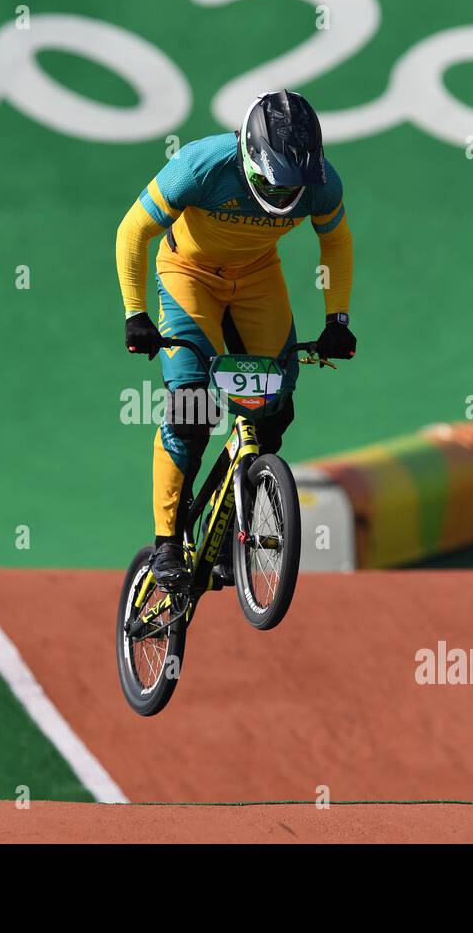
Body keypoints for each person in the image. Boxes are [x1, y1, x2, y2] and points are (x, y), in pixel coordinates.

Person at [115, 90, 356, 588]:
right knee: (191, 410)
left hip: (256, 276)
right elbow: (133, 231)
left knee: (275, 406)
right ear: (249, 158)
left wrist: (337, 320)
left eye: (296, 187)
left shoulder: (322, 182)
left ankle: (231, 523)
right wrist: (135, 313)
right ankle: (165, 545)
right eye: (275, 183)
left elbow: (335, 239)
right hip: (189, 272)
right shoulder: (201, 165)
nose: (286, 197)